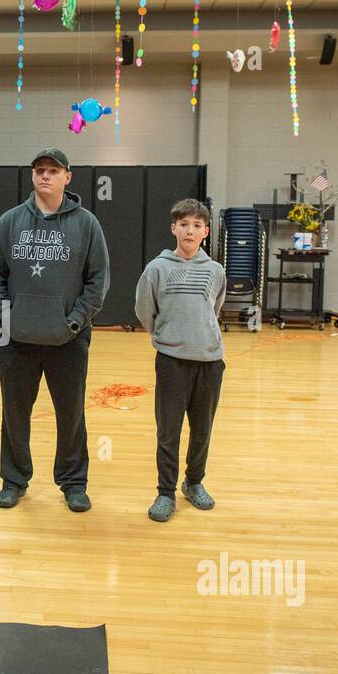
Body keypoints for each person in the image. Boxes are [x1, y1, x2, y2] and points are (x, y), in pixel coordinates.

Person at [0, 148, 110, 513]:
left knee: (70, 415)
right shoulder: (9, 222)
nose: (45, 176)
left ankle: (73, 483)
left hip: (68, 340)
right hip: (16, 340)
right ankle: (14, 480)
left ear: (67, 177)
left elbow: (98, 280)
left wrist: (75, 321)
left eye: (53, 171)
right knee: (14, 414)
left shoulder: (86, 224)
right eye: (39, 170)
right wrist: (5, 318)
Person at [134, 199, 227, 522]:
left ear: (206, 231)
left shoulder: (216, 271)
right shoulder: (156, 269)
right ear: (173, 228)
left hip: (210, 362)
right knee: (168, 431)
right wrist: (170, 336)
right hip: (172, 361)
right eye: (184, 224)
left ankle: (194, 482)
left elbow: (213, 311)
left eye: (197, 225)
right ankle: (165, 492)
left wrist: (200, 336)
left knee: (202, 429)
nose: (190, 230)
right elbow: (145, 312)